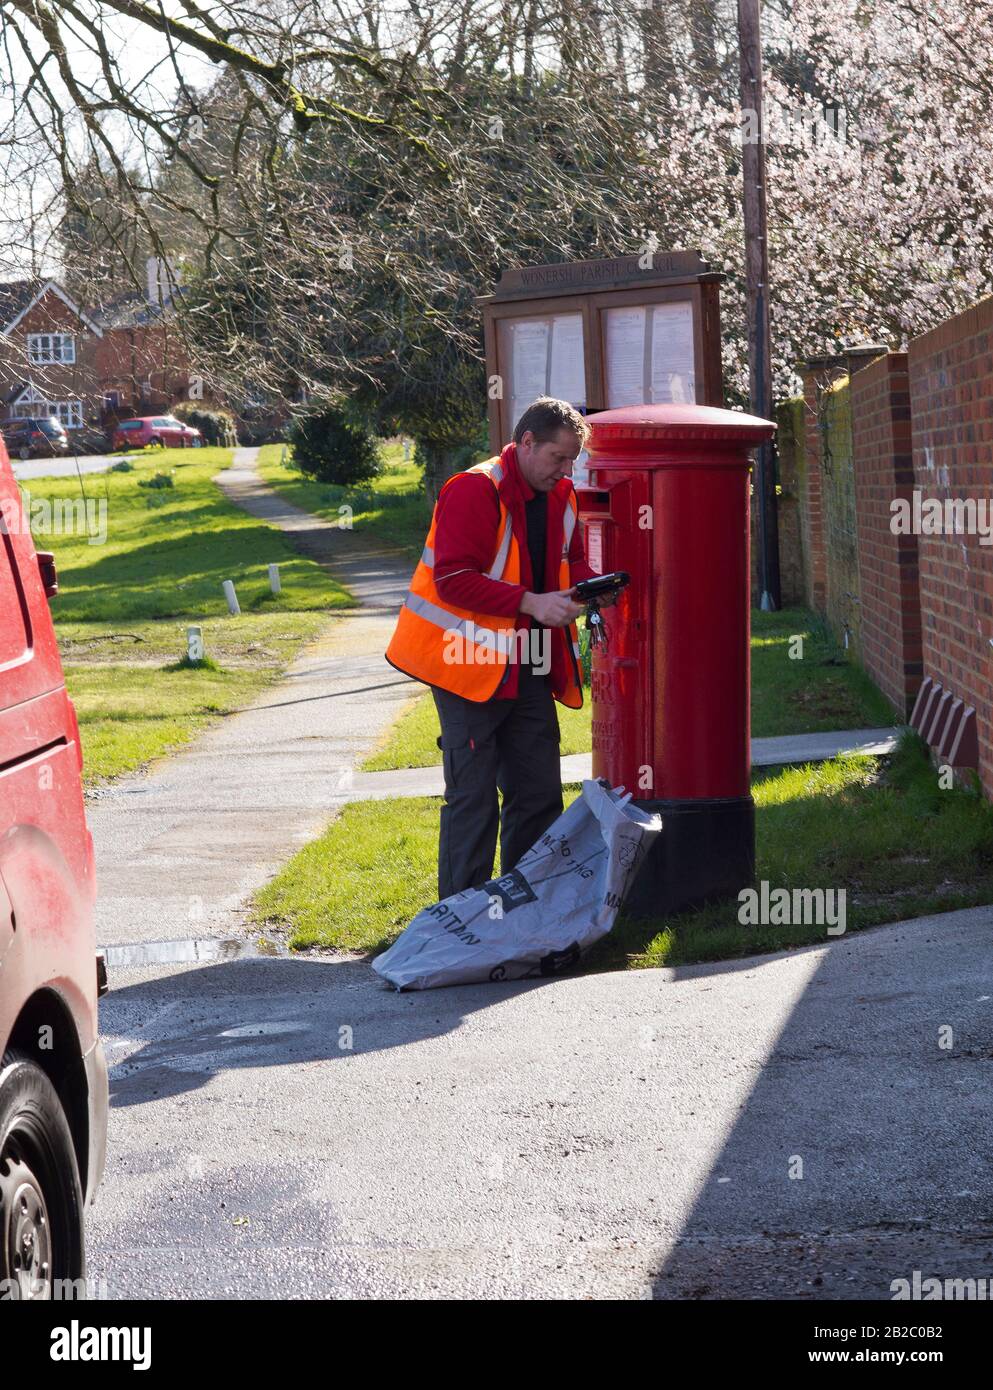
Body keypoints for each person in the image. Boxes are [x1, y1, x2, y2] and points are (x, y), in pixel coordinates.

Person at [386, 396, 605, 898]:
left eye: (573, 459)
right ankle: (461, 917)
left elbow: (568, 567)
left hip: (527, 664)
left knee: (539, 793)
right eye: (558, 457)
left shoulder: (562, 496)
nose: (566, 468)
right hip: (466, 666)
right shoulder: (472, 490)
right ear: (526, 443)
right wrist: (532, 602)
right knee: (474, 797)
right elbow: (453, 580)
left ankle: (525, 911)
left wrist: (597, 589)